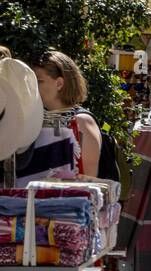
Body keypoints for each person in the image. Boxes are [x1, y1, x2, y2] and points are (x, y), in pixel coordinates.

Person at [31, 50, 102, 179]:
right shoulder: (39, 117)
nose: (33, 87)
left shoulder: (82, 121)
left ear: (59, 83)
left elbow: (89, 178)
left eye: (39, 81)